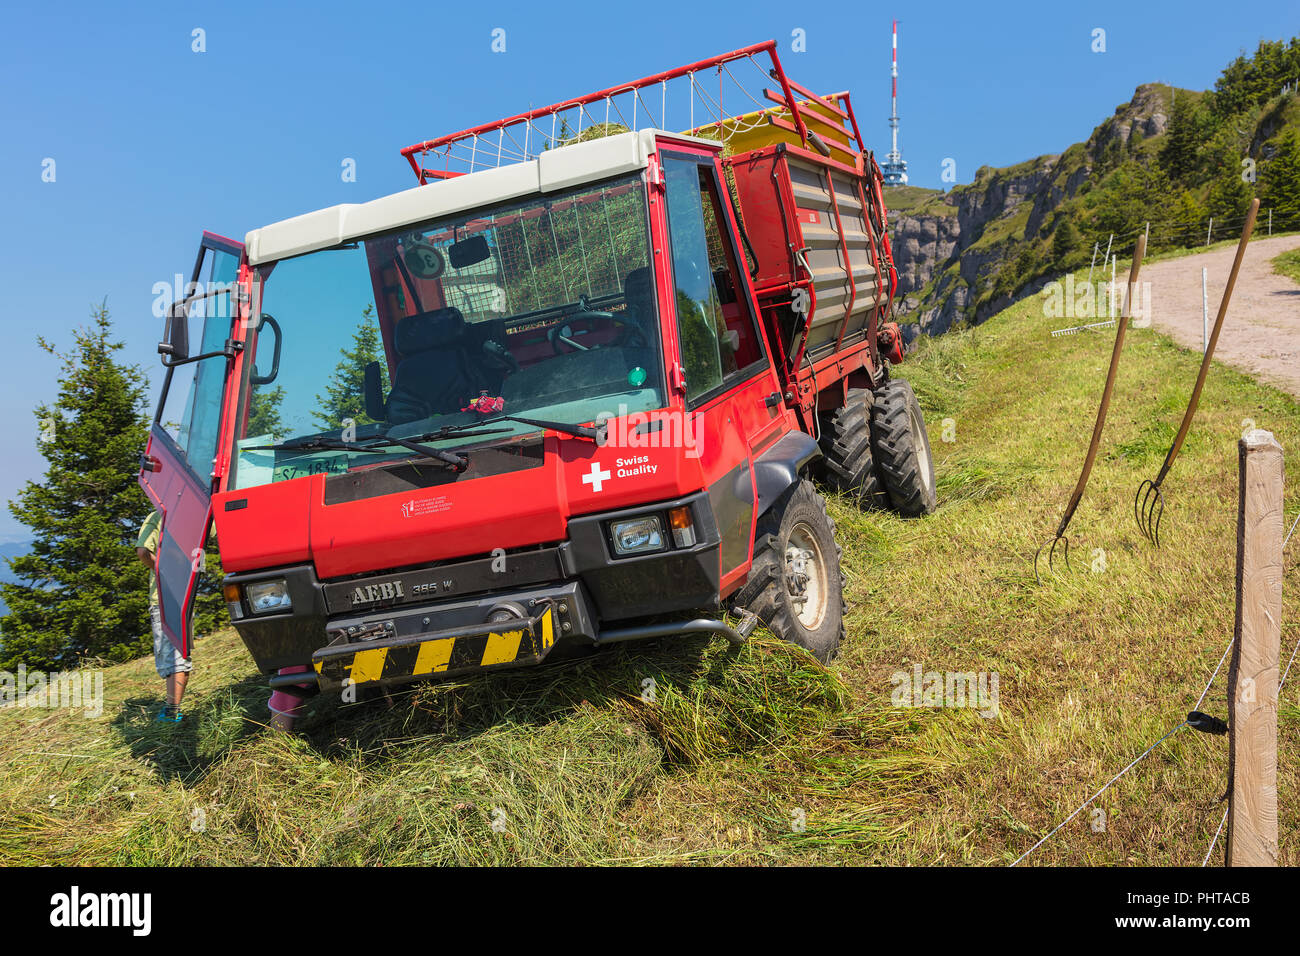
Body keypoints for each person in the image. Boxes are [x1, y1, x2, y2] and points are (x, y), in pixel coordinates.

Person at [136, 509, 192, 722]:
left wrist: (164, 574)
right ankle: (171, 708)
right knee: (177, 652)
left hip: (165, 595)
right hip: (186, 590)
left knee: (175, 656)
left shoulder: (158, 515)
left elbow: (143, 552)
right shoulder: (198, 514)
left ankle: (171, 712)